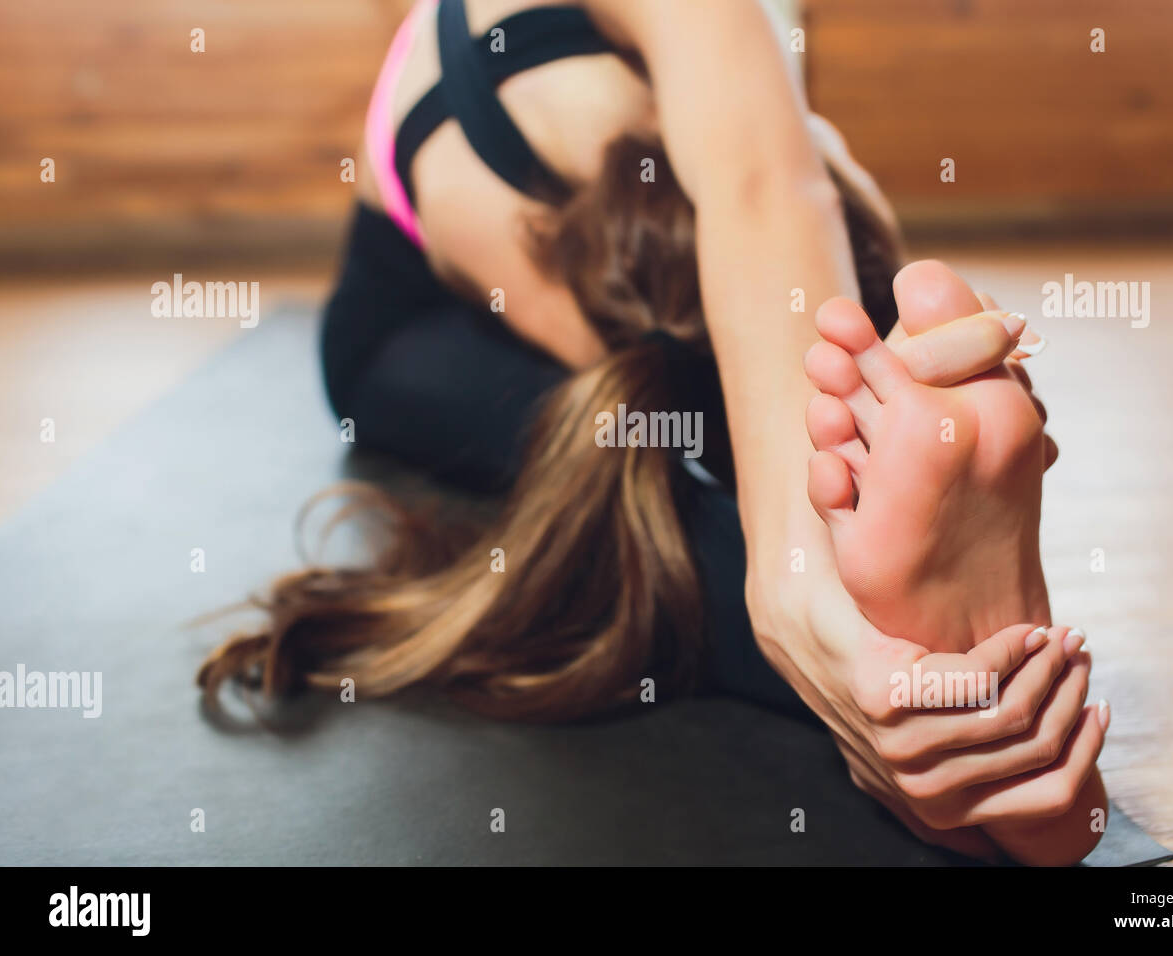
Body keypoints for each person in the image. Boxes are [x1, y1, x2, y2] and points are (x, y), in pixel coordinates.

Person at [199, 0, 1107, 863]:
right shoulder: (745, 118)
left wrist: (799, 604)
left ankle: (916, 683)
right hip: (519, 309)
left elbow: (762, 194)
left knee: (638, 494)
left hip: (440, 323)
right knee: (704, 428)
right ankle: (987, 709)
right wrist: (797, 580)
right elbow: (770, 187)